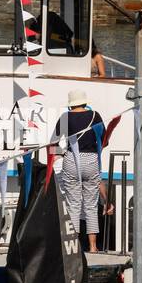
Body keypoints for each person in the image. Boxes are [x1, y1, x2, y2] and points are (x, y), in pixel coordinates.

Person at [51, 91, 106, 253]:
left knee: (73, 205)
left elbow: (53, 143)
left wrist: (61, 154)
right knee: (90, 206)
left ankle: (74, 247)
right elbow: (103, 138)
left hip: (71, 161)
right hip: (91, 160)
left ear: (71, 103)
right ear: (84, 102)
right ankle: (93, 247)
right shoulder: (95, 115)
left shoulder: (65, 117)